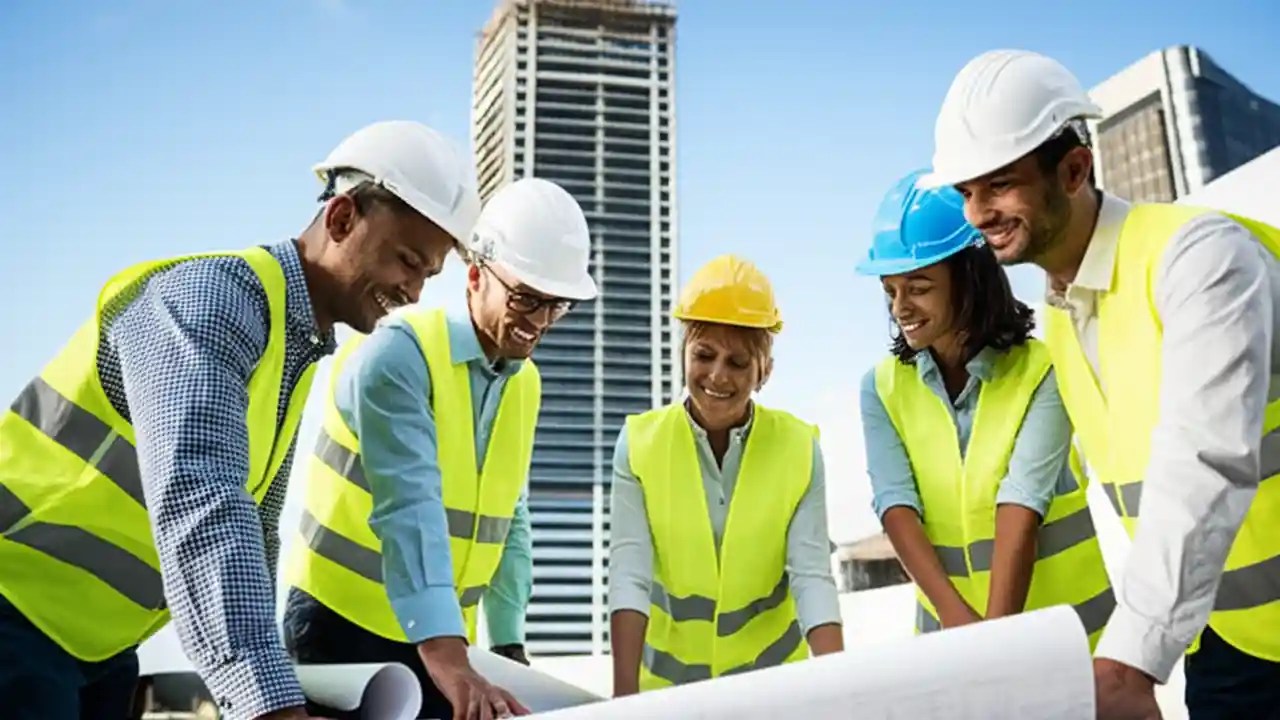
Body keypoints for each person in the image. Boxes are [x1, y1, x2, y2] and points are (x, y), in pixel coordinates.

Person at [0, 119, 481, 720]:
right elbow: (203, 504)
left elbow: (254, 531)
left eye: (427, 276)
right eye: (407, 261)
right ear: (340, 219)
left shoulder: (295, 344)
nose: (413, 292)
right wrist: (267, 705)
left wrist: (269, 680)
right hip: (13, 608)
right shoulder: (213, 301)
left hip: (97, 642)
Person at [923, 48, 1280, 720]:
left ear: (1075, 169)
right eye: (966, 192)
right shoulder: (1064, 317)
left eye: (997, 186)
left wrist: (1127, 661)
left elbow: (1202, 458)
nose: (976, 213)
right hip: (1231, 640)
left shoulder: (1200, 259)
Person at [282, 177, 598, 720]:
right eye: (526, 299)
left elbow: (509, 517)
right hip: (340, 632)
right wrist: (448, 653)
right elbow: (411, 507)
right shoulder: (400, 355)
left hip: (443, 638)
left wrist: (506, 641)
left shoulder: (525, 382)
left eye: (556, 306)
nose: (540, 323)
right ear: (476, 276)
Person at [855, 168, 1114, 647]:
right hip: (951, 643)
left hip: (1070, 639)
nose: (899, 308)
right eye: (890, 290)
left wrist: (997, 645)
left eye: (918, 286)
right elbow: (896, 507)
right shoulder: (881, 388)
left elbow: (1022, 501)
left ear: (969, 278)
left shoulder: (1044, 368)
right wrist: (963, 630)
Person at [607, 254, 844, 696]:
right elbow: (630, 576)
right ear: (684, 354)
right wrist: (624, 701)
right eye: (704, 354)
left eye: (737, 362)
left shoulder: (799, 447)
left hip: (772, 692)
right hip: (668, 692)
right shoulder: (639, 444)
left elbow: (812, 576)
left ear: (764, 372)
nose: (717, 375)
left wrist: (843, 693)